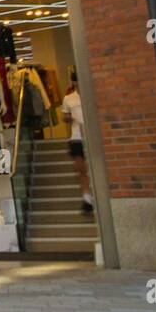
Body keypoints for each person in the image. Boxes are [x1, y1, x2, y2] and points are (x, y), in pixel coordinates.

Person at [61, 78, 94, 214]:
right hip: (76, 136)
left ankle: (95, 196)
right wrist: (69, 118)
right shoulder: (69, 98)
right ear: (75, 83)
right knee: (81, 168)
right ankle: (87, 198)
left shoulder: (92, 94)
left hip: (93, 135)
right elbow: (64, 117)